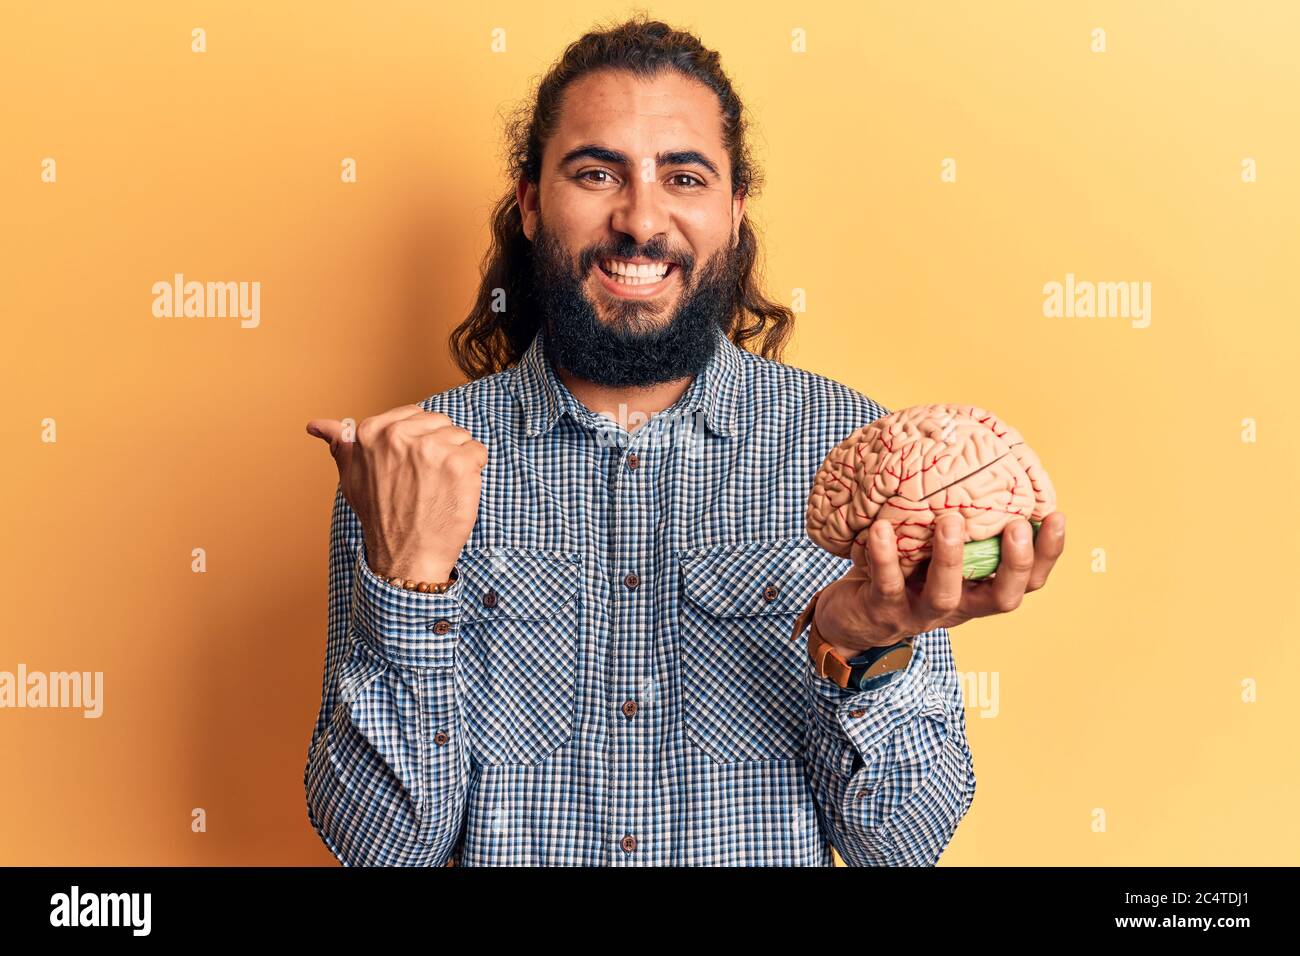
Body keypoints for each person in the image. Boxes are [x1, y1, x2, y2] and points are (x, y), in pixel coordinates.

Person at [303, 16, 1066, 866]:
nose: (640, 218)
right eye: (597, 173)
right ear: (528, 203)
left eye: (685, 176)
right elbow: (380, 847)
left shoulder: (849, 450)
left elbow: (903, 842)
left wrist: (868, 646)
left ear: (734, 213)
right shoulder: (409, 471)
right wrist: (410, 584)